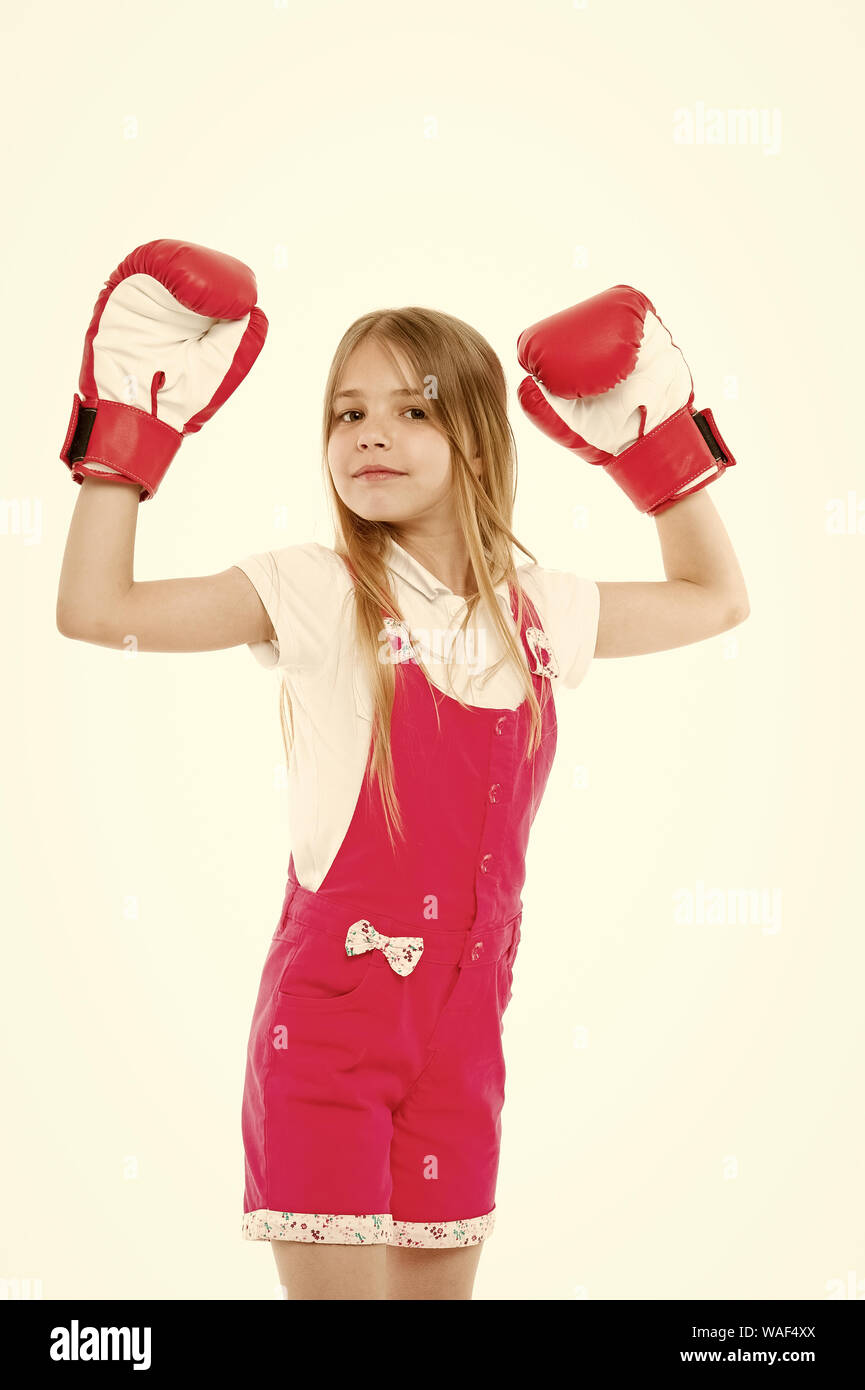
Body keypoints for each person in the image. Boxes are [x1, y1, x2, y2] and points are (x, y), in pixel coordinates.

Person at [56, 243, 749, 1301]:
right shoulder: (317, 591)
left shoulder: (538, 614)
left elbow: (714, 597)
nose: (371, 430)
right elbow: (98, 610)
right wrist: (124, 429)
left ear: (479, 440)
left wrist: (653, 443)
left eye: (413, 408)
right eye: (345, 412)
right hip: (326, 1047)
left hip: (465, 1049)